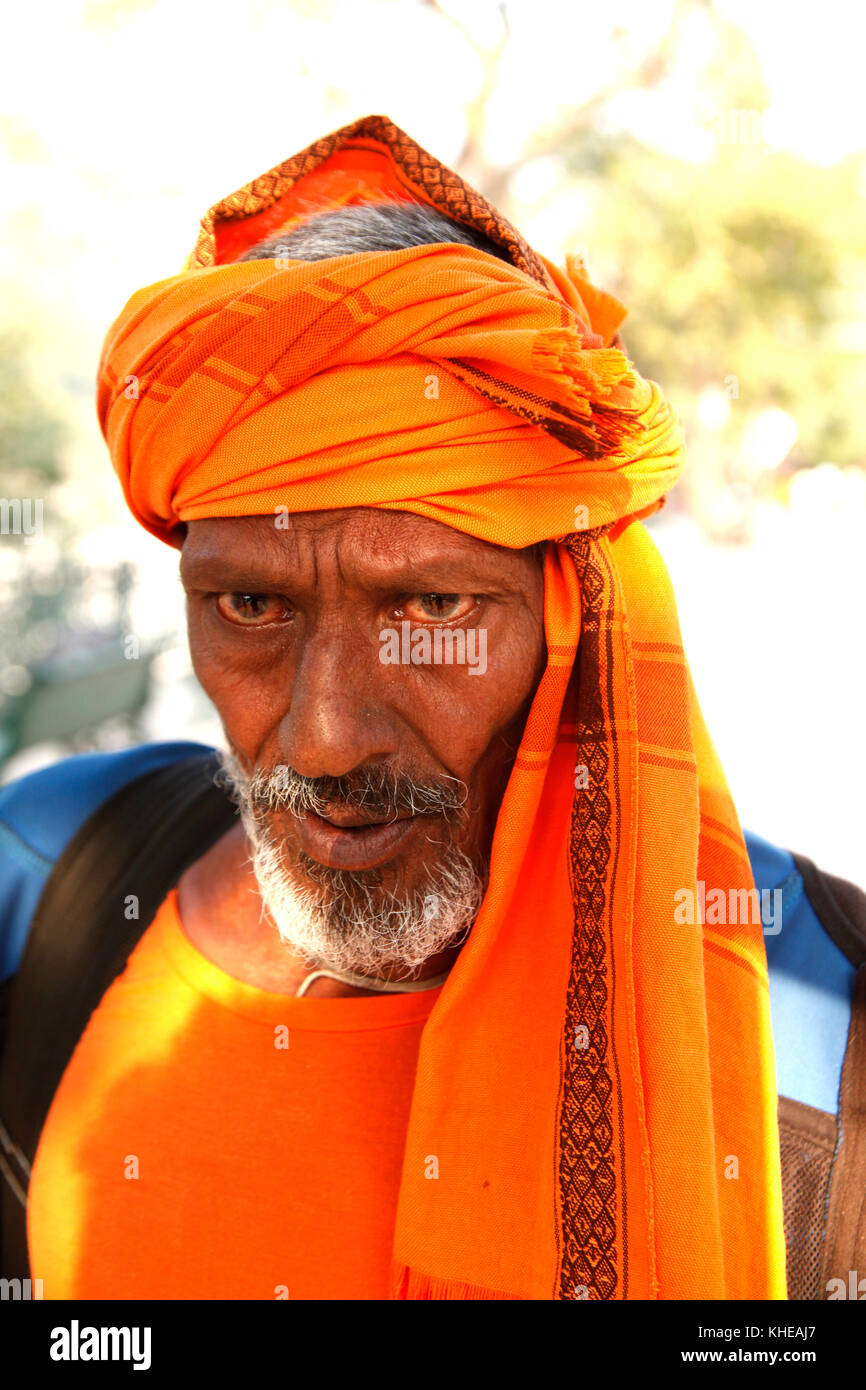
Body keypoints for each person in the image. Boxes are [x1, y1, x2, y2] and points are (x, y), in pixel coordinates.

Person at [0, 115, 863, 1302]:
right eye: (250, 603)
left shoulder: (826, 1028)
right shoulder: (52, 872)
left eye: (435, 606)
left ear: (575, 611)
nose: (322, 737)